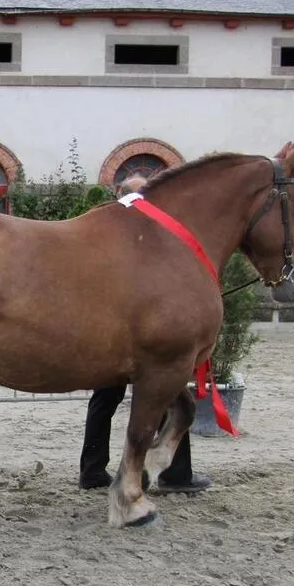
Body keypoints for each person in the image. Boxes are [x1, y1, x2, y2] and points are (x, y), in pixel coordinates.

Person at [78, 174, 211, 494]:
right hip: (119, 333)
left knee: (164, 395)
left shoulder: (124, 230)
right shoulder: (121, 229)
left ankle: (169, 472)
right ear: (123, 196)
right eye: (140, 197)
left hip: (128, 330)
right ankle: (100, 471)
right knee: (152, 394)